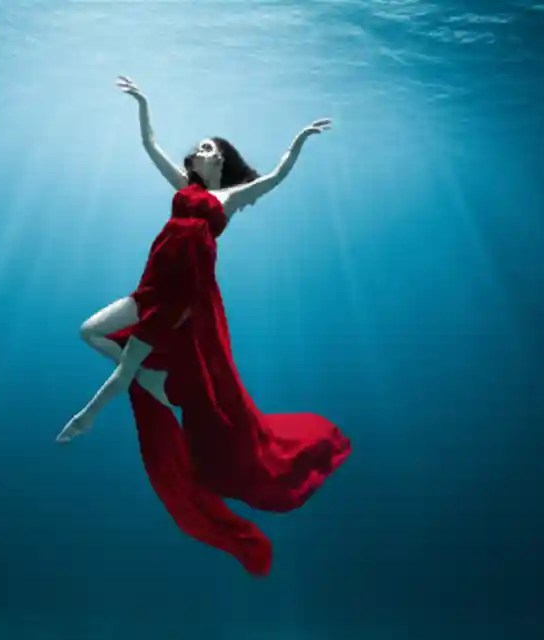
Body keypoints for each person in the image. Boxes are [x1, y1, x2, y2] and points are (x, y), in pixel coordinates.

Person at [55, 75, 351, 575]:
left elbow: (275, 178)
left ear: (221, 161)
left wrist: (299, 139)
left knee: (125, 368)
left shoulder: (226, 200)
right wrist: (143, 103)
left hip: (183, 299)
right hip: (149, 287)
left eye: (208, 147)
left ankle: (99, 408)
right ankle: (154, 380)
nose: (199, 149)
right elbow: (149, 145)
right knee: (90, 331)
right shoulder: (184, 188)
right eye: (197, 148)